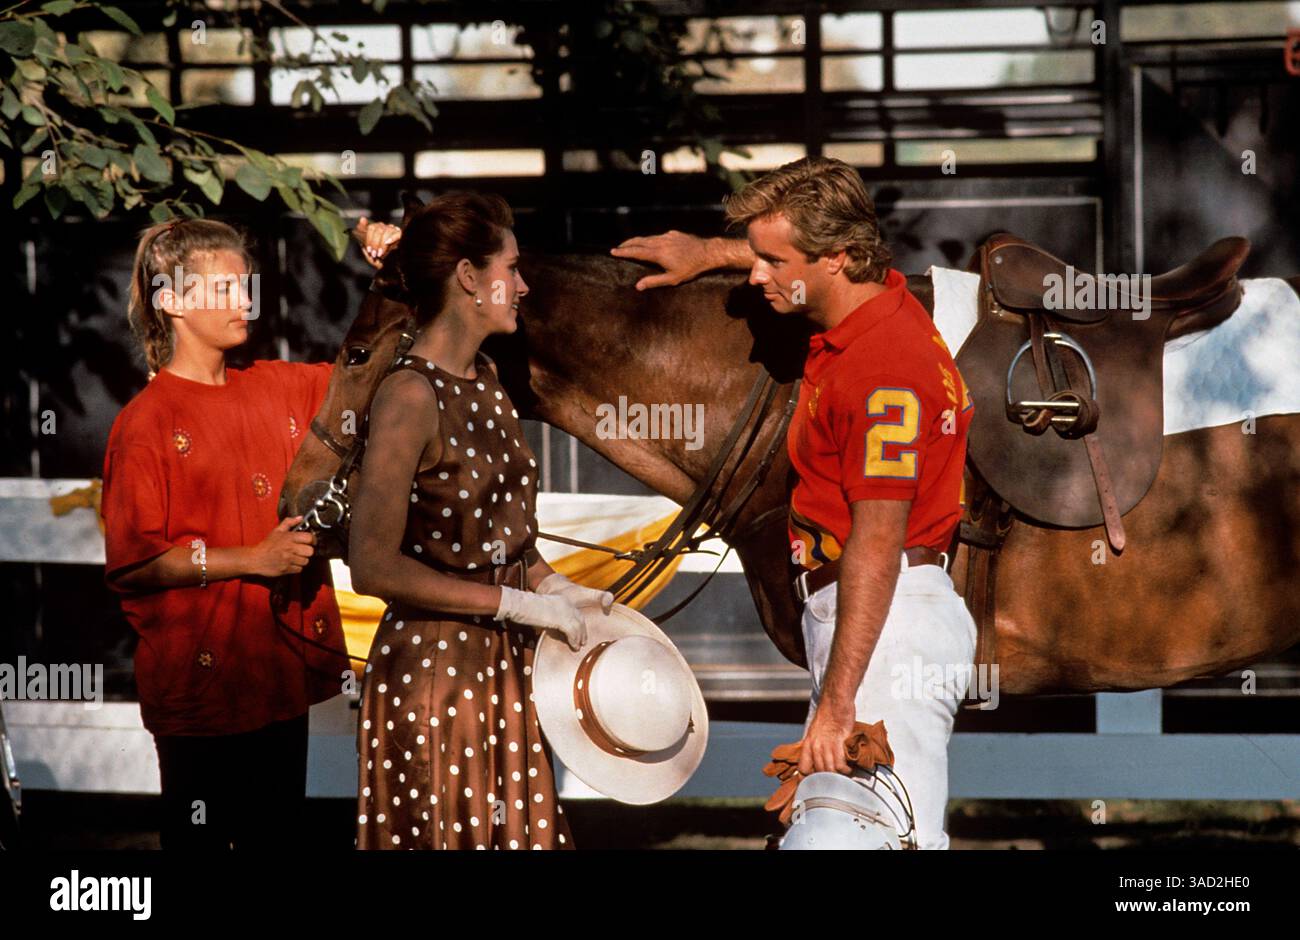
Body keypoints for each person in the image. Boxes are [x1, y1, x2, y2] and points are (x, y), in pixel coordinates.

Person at [611, 157, 977, 849]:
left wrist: (837, 709)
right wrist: (711, 253)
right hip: (879, 623)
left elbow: (875, 541)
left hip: (885, 624)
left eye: (771, 261)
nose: (754, 274)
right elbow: (796, 248)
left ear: (836, 258)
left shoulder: (882, 372)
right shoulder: (879, 304)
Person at [101, 215, 399, 849]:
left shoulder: (277, 387)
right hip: (199, 694)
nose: (245, 303)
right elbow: (135, 563)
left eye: (246, 287)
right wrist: (252, 559)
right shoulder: (144, 423)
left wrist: (397, 275)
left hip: (277, 676)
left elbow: (374, 372)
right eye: (225, 289)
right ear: (173, 301)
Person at [347, 191, 612, 850]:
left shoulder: (488, 377)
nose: (523, 286)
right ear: (469, 277)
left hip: (499, 668)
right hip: (435, 676)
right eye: (512, 269)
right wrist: (514, 605)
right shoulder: (409, 394)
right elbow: (373, 565)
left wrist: (553, 588)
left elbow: (509, 536)